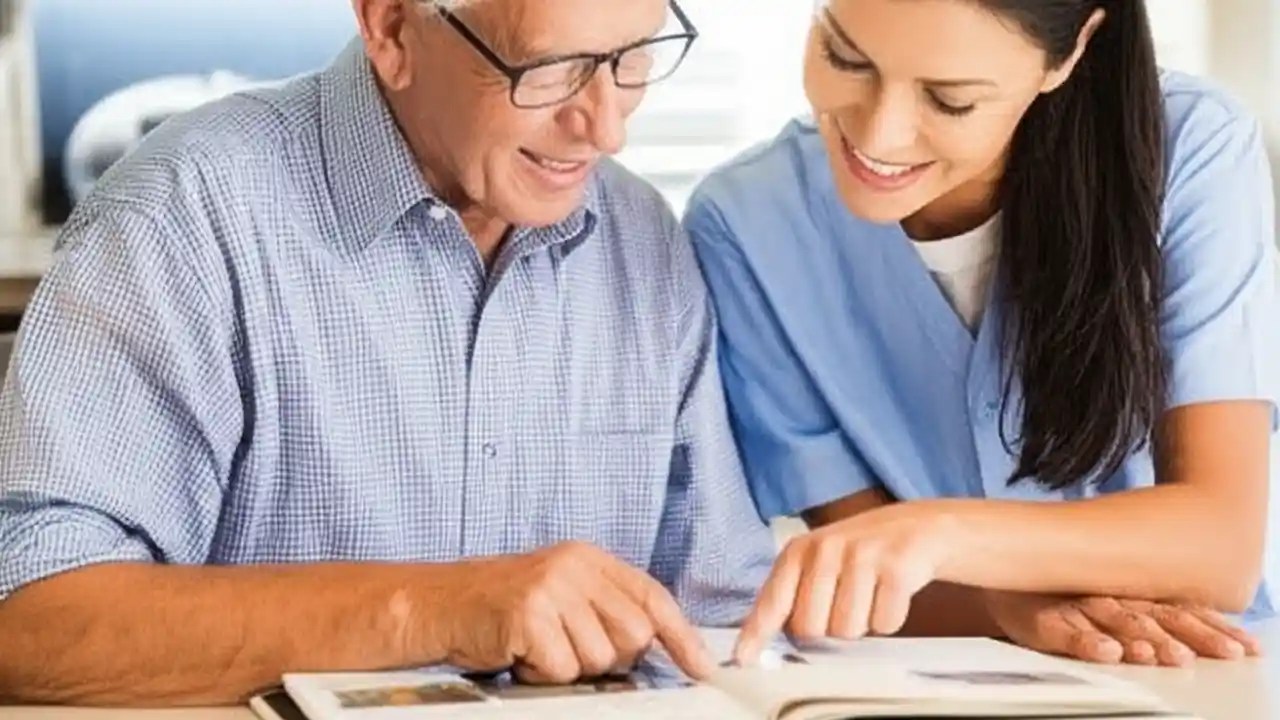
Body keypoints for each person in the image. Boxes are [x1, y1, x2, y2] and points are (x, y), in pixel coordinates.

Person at [0, 0, 778, 706]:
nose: (607, 127)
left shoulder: (642, 240)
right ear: (392, 29)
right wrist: (434, 609)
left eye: (631, 57)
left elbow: (721, 622)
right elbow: (29, 618)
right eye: (547, 69)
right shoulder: (182, 213)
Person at [685, 0, 1277, 668]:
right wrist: (1007, 604)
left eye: (950, 100)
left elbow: (1220, 547)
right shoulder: (746, 223)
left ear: (1071, 51)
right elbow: (859, 575)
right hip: (951, 673)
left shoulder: (1190, 147)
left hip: (1208, 672)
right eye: (845, 57)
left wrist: (938, 533)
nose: (878, 135)